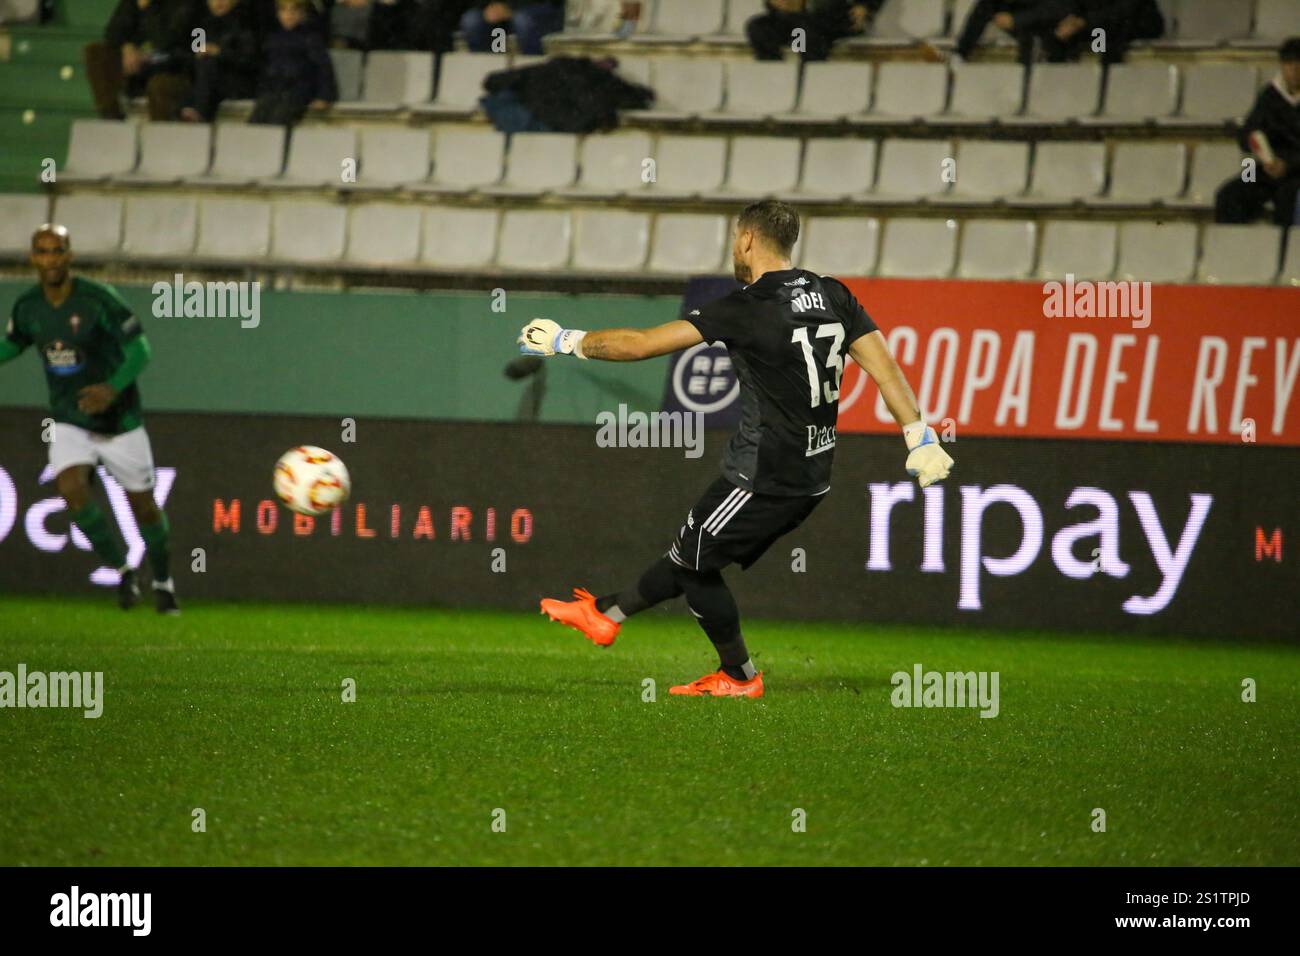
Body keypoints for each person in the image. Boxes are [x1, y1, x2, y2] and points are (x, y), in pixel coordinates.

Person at [517, 200, 953, 698]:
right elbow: (885, 369)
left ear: (747, 239)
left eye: (734, 238)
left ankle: (739, 677)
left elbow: (639, 344)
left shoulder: (746, 305)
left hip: (764, 475)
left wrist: (564, 339)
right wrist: (918, 435)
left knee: (693, 561)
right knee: (692, 550)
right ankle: (604, 615)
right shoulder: (834, 294)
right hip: (813, 473)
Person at [0, 225, 179, 615]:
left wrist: (112, 388)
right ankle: (123, 570)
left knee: (145, 508)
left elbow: (141, 349)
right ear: (33, 258)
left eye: (57, 250)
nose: (50, 259)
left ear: (69, 255)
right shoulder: (28, 306)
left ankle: (164, 582)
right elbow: (12, 344)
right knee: (71, 489)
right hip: (69, 417)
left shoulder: (98, 300)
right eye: (42, 252)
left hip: (119, 420)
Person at [1216, 37, 1300, 227]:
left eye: (1298, 63)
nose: (1294, 70)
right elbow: (1246, 135)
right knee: (1231, 194)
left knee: (1289, 199)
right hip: (1264, 167)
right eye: (1288, 63)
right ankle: (1231, 250)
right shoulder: (1270, 95)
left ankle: (1284, 253)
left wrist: (1288, 164)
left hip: (1295, 171)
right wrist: (1261, 151)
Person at [83, 0, 202, 120]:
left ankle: (160, 134)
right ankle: (111, 117)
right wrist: (126, 46)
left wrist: (148, 9)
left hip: (174, 70)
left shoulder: (187, 4)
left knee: (159, 85)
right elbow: (111, 32)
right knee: (95, 52)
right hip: (140, 68)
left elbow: (165, 42)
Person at [250, 0, 338, 126]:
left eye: (294, 11)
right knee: (257, 118)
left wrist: (324, 96)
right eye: (284, 11)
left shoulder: (311, 38)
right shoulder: (272, 39)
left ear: (302, 14)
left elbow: (323, 68)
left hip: (298, 90)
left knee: (279, 118)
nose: (288, 15)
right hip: (274, 89)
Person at [180, 0, 259, 122]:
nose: (219, 2)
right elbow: (192, 57)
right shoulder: (201, 27)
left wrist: (219, 52)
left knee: (209, 64)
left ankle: (198, 111)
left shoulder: (245, 24)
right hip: (205, 80)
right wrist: (199, 54)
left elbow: (249, 61)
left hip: (236, 80)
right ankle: (193, 109)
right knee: (204, 64)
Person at [747, 0, 883, 63]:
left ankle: (814, 81)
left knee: (806, 31)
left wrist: (864, 5)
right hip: (794, 17)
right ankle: (773, 78)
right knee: (758, 27)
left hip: (835, 16)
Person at [460, 1, 565, 56]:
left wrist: (511, 8)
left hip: (535, 10)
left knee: (521, 20)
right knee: (471, 20)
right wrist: (489, 7)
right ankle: (490, 62)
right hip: (502, 16)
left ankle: (531, 67)